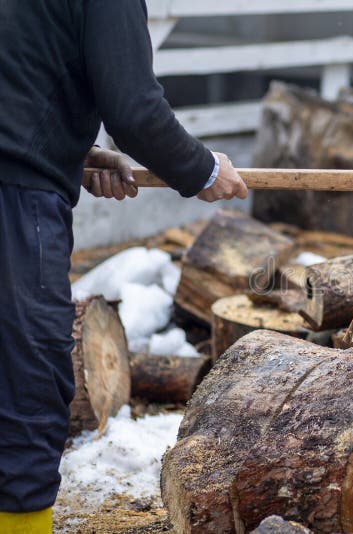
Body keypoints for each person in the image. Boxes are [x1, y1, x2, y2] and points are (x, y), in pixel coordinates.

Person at [0, 1, 248, 531]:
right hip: (15, 198)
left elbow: (20, 66)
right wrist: (202, 169)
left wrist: (75, 149)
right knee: (26, 387)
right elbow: (135, 110)